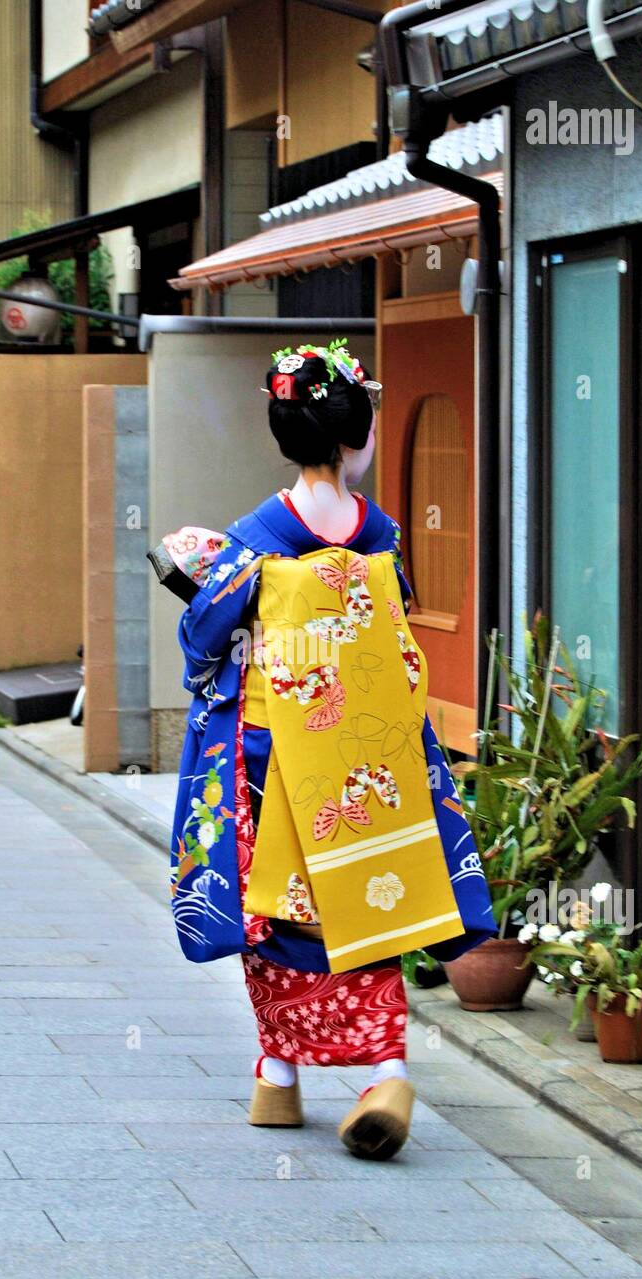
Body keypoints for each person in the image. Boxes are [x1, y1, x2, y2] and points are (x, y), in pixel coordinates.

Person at [167, 340, 495, 1160]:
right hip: (365, 760)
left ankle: (277, 1078)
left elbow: (204, 649)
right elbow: (397, 650)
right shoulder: (379, 538)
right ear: (356, 437)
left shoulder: (254, 538)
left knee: (279, 912)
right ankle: (380, 1069)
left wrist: (202, 582)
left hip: (271, 758)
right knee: (369, 900)